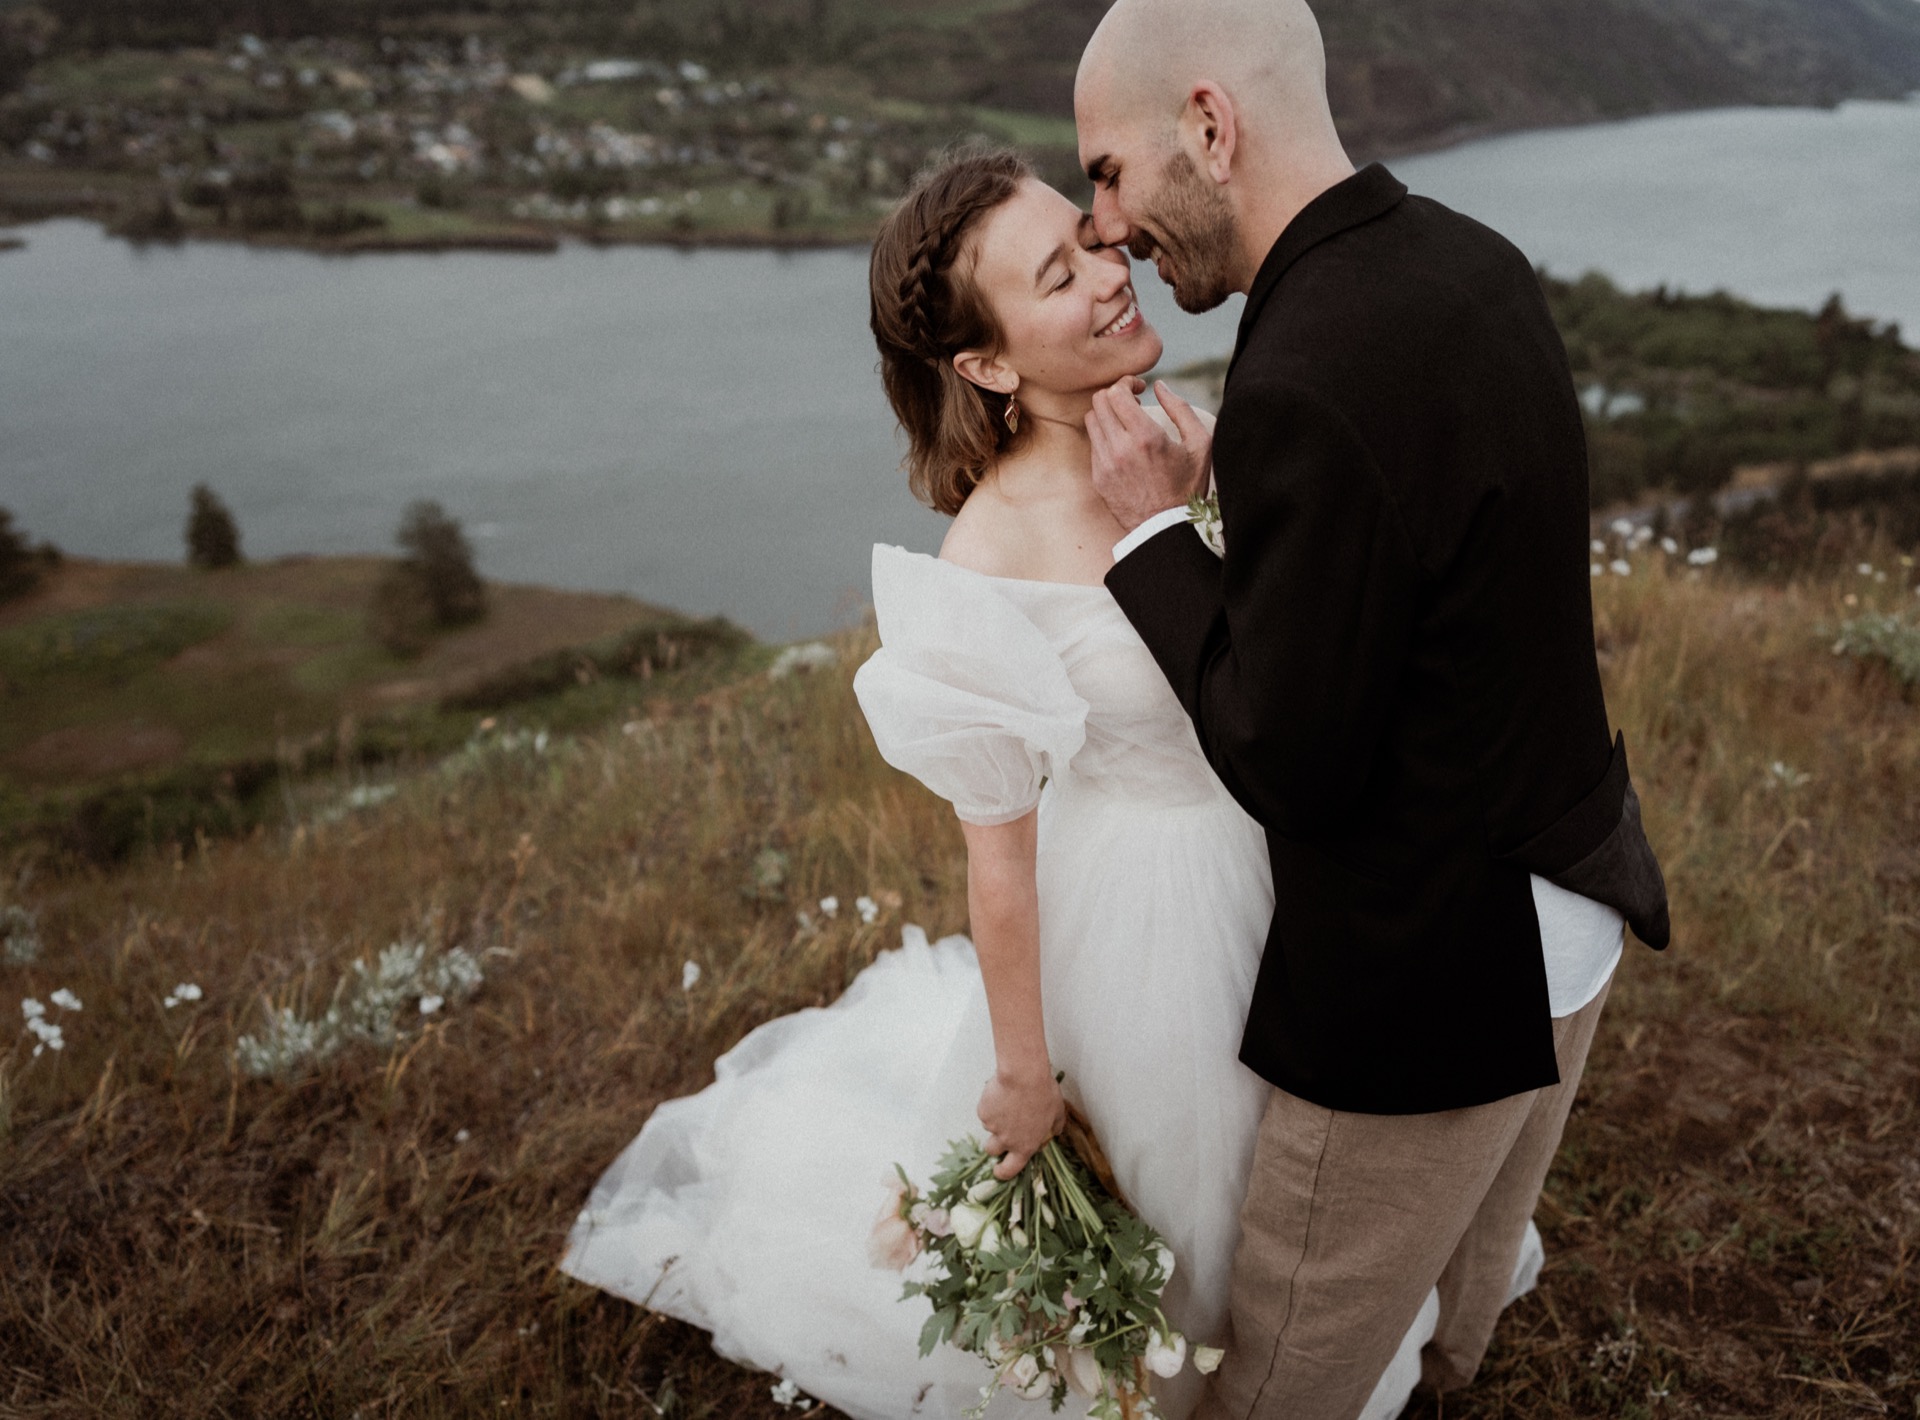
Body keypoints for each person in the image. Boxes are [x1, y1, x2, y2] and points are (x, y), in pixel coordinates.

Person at [561, 144, 1549, 1420]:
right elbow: (1000, 859)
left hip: (1284, 855)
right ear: (985, 363)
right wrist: (1026, 1071)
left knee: (1319, 1188)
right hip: (1145, 926)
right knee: (1191, 1198)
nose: (1107, 273)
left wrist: (1205, 509)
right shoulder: (989, 558)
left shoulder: (1176, 428)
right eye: (1058, 274)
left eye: (1090, 243)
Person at [1068, 1, 1671, 1416]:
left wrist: (1158, 538)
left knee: (1279, 1378)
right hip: (1570, 893)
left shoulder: (1308, 369)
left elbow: (1295, 758)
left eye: (1107, 173)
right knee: (1458, 1321)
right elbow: (1439, 576)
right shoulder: (1469, 261)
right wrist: (1268, 505)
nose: (1105, 229)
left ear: (1209, 128)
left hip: (1440, 975)